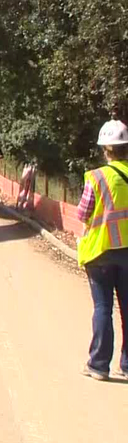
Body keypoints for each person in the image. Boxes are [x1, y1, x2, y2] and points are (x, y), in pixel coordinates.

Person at [76, 119, 128, 381]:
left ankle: (98, 365)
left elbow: (83, 213)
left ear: (105, 149)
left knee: (103, 307)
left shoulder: (96, 177)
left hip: (100, 252)